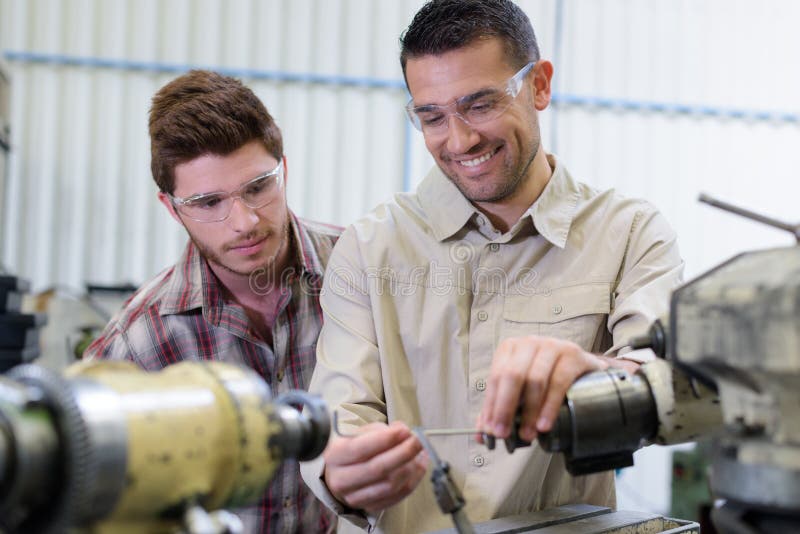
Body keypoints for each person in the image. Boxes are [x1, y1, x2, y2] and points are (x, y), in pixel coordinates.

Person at [300, 0, 684, 532]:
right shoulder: (371, 247)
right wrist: (339, 468)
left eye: (480, 105)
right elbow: (340, 415)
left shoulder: (630, 233)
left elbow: (672, 390)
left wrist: (605, 380)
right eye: (431, 117)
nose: (459, 141)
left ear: (540, 86)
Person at [84, 70, 340, 533]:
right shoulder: (139, 342)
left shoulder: (361, 273)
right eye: (207, 202)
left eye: (259, 186)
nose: (243, 221)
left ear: (284, 169)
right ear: (170, 207)